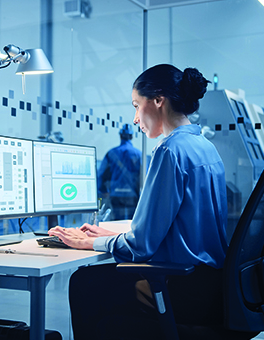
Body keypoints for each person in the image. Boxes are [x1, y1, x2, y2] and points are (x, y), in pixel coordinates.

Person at [48, 64, 229, 339]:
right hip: (210, 283)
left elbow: (141, 247)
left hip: (183, 288)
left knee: (84, 281)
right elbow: (181, 229)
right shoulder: (205, 147)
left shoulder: (170, 151)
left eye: (136, 105)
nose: (135, 118)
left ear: (158, 100)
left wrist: (88, 242)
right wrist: (113, 234)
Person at [97, 123, 142, 220]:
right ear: (132, 136)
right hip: (133, 195)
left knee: (117, 221)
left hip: (115, 194)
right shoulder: (138, 154)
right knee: (133, 222)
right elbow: (145, 176)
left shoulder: (112, 153)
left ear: (120, 136)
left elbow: (101, 174)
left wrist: (103, 190)